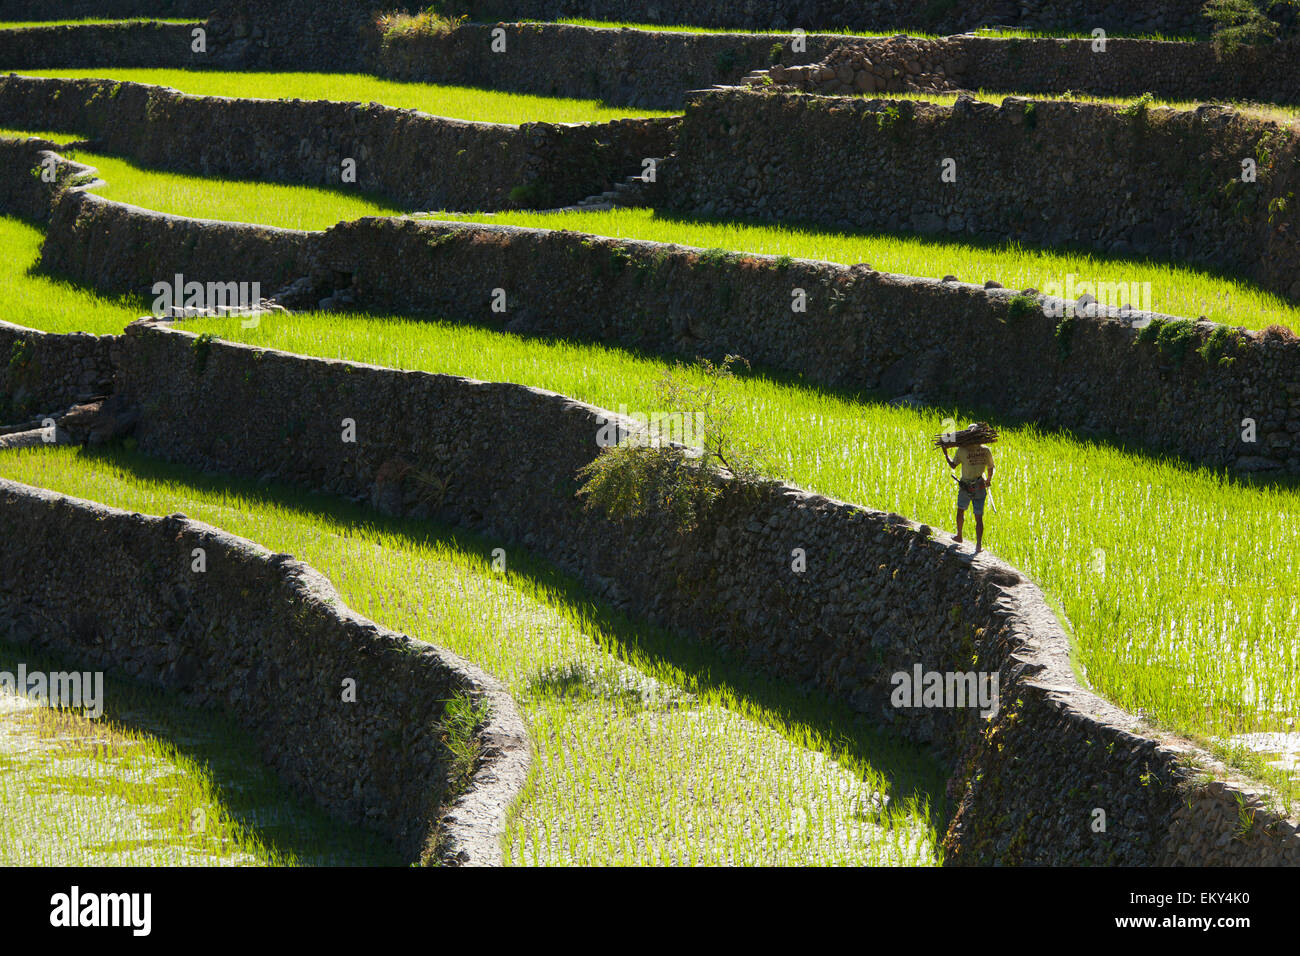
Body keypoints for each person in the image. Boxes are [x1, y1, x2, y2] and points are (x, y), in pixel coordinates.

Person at [941, 436, 995, 554]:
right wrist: (988, 480)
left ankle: (959, 536)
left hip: (965, 485)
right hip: (980, 485)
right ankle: (978, 545)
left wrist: (946, 454)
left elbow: (953, 465)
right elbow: (991, 468)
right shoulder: (985, 450)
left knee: (961, 510)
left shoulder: (962, 450)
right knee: (978, 516)